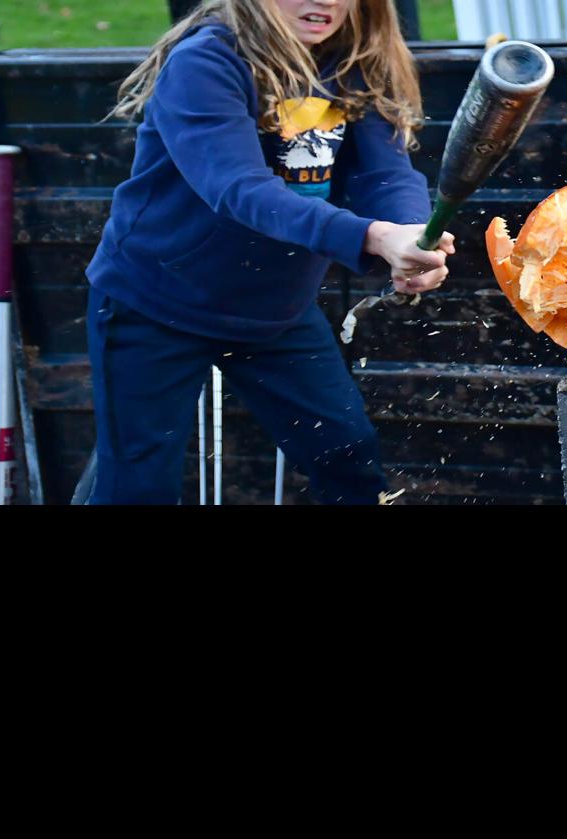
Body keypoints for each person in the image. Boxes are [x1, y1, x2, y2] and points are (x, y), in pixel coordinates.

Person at [84, 0, 451, 504]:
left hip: (276, 310)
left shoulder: (353, 60)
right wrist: (372, 237)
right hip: (157, 304)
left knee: (348, 455)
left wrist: (410, 236)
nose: (325, 1)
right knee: (139, 485)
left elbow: (384, 173)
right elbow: (240, 189)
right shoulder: (206, 61)